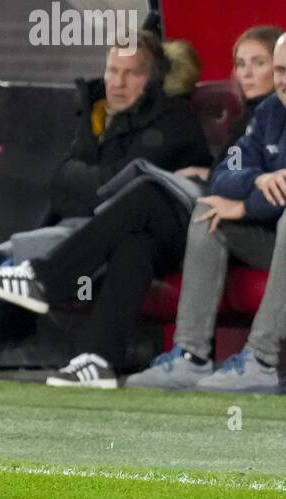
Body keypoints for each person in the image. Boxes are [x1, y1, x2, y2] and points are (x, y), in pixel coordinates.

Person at [0, 30, 212, 380]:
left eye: (132, 73)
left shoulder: (173, 121)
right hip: (93, 234)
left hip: (134, 234)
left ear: (152, 78)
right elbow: (62, 184)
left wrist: (89, 181)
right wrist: (93, 181)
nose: (118, 82)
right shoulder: (97, 114)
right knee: (23, 253)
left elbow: (116, 191)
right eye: (113, 70)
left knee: (23, 257)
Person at [0, 30, 280, 387]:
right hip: (217, 228)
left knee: (146, 193)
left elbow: (243, 183)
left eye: (260, 64)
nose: (246, 73)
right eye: (240, 64)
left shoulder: (185, 120)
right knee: (135, 240)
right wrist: (240, 180)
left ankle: (43, 279)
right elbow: (227, 177)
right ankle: (97, 358)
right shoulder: (260, 115)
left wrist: (242, 197)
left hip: (258, 232)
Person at [115, 31, 286, 393]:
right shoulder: (270, 112)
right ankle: (191, 356)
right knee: (209, 211)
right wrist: (256, 182)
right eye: (282, 70)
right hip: (275, 242)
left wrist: (246, 205)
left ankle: (262, 360)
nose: (283, 81)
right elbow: (223, 176)